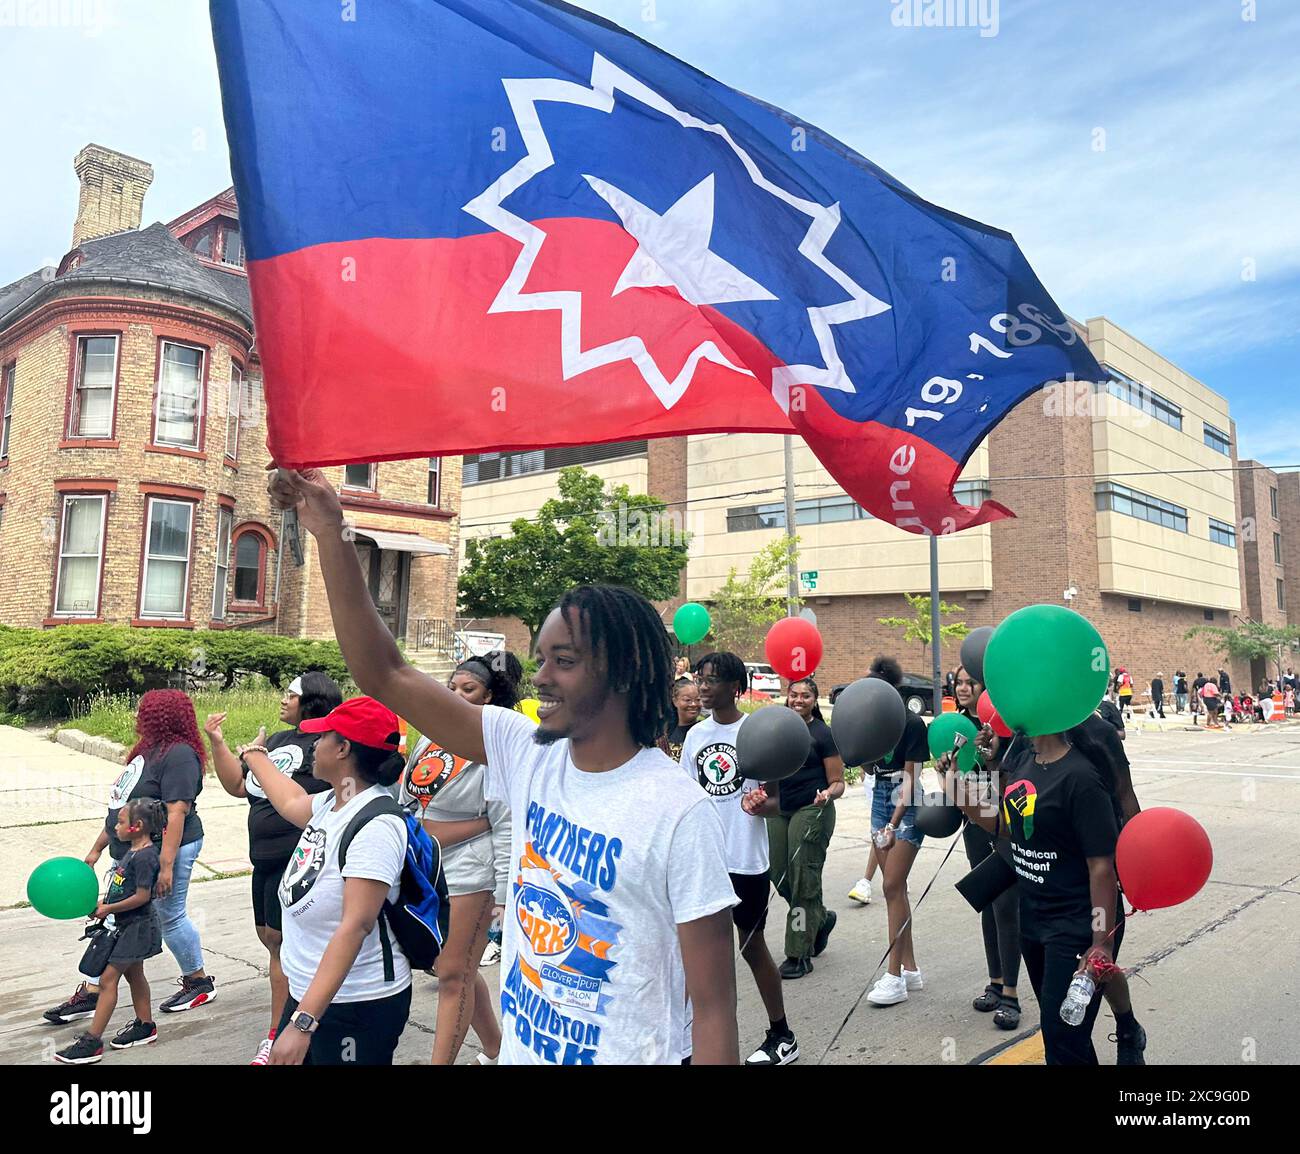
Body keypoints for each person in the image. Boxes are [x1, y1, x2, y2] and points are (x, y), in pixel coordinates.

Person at [268, 465, 740, 1065]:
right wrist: (331, 533)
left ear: (622, 673)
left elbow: (715, 1008)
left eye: (563, 660)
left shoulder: (680, 813)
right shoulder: (528, 751)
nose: (539, 676)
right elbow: (384, 673)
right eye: (541, 658)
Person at [239, 696, 413, 1064]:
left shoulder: (376, 824)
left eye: (323, 737)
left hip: (354, 1005)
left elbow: (356, 925)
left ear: (344, 749)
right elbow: (291, 801)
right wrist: (256, 756)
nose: (314, 746)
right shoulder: (336, 802)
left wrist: (303, 1023)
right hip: (310, 994)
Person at [43, 690, 215, 1025]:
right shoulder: (145, 753)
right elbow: (123, 811)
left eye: (144, 710)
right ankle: (93, 992)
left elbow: (176, 812)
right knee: (114, 920)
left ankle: (197, 982)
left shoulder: (179, 755)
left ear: (161, 715)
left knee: (169, 916)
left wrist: (166, 866)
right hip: (131, 853)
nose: (138, 714)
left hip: (166, 851)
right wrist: (98, 848)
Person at [964, 723, 1127, 1065]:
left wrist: (1100, 944)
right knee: (1066, 1037)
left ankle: (1127, 1030)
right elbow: (1008, 827)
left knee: (1062, 1043)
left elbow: (1102, 866)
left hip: (1077, 926)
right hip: (1034, 922)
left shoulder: (1080, 778)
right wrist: (958, 793)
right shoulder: (1025, 761)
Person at [204, 672, 343, 1063]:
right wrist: (219, 743)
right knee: (270, 939)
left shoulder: (324, 744)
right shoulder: (279, 741)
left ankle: (282, 1030)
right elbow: (238, 786)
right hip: (262, 861)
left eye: (291, 694)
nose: (283, 699)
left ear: (311, 701)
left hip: (296, 861)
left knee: (285, 946)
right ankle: (292, 1021)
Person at [400, 651, 521, 1065]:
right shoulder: (428, 737)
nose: (454, 695)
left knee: (454, 974)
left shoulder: (496, 748)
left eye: (467, 690)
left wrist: (504, 895)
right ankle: (497, 1051)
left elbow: (505, 824)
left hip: (474, 876)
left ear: (490, 697)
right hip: (427, 870)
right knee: (456, 969)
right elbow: (407, 802)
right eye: (451, 687)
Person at [684, 651, 797, 1065]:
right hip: (704, 859)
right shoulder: (695, 736)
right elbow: (685, 794)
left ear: (736, 686)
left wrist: (758, 805)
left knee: (751, 946)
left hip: (746, 859)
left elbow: (778, 802)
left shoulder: (757, 730)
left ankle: (782, 1034)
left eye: (713, 679)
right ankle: (693, 1041)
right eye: (700, 678)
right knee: (699, 951)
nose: (704, 686)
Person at [743, 677, 843, 981]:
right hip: (778, 808)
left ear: (815, 700)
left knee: (802, 880)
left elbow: (838, 782)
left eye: (805, 696)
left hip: (812, 808)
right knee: (778, 872)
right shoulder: (778, 727)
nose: (798, 700)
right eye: (794, 695)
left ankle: (799, 953)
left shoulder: (822, 734)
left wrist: (827, 794)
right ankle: (820, 918)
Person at [53, 799, 166, 1064]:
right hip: (127, 925)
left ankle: (92, 1042)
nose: (115, 826)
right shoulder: (132, 851)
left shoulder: (147, 856)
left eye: (121, 822)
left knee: (107, 981)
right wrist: (104, 903)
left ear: (137, 827)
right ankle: (145, 1027)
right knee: (135, 976)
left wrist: (109, 908)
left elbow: (142, 896)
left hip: (138, 927)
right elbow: (122, 887)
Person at [949, 664, 1021, 1030]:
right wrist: (946, 770)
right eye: (958, 682)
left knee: (1007, 904)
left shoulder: (1007, 725)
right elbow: (959, 779)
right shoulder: (959, 725)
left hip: (1006, 823)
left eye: (969, 682)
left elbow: (1010, 774)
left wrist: (991, 755)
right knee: (987, 901)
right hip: (974, 822)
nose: (962, 688)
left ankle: (1011, 993)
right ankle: (995, 982)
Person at [863, 656, 928, 1007]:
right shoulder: (873, 722)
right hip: (879, 798)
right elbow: (869, 765)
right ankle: (911, 969)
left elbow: (912, 778)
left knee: (889, 885)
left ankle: (893, 977)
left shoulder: (912, 723)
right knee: (896, 890)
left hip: (907, 802)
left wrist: (892, 823)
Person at [658, 677, 702, 764]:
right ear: (675, 701)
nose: (693, 704)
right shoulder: (664, 735)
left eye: (697, 700)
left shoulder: (704, 731)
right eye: (687, 700)